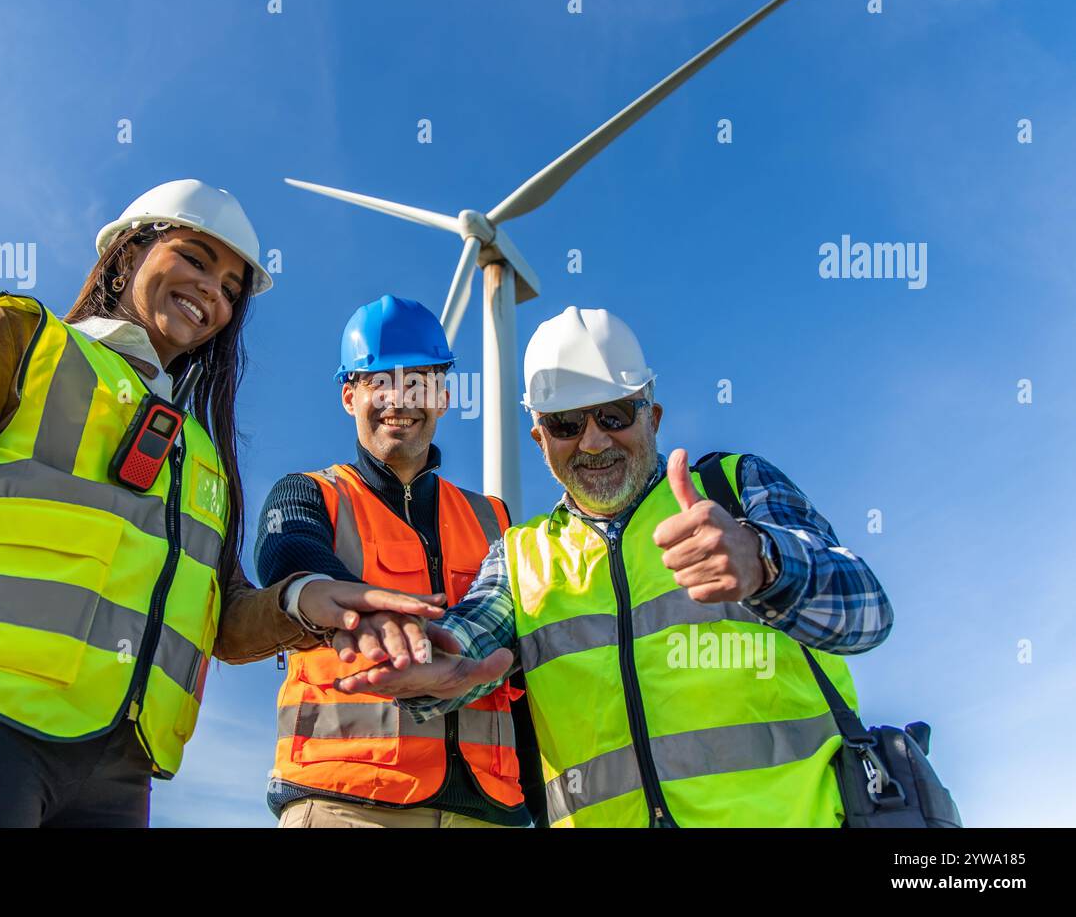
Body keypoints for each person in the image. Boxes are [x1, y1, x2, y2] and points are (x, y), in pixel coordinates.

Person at [0, 180, 444, 828]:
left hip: (117, 770)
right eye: (193, 258)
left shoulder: (204, 456)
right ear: (127, 255)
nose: (213, 292)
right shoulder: (15, 340)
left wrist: (303, 602)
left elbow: (220, 621)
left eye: (232, 290)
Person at [333, 305, 895, 827]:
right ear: (539, 438)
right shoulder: (521, 552)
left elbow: (867, 613)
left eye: (614, 414)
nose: (594, 440)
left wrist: (765, 563)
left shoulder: (732, 489)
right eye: (566, 425)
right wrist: (426, 664)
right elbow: (469, 637)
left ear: (652, 415)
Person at [256, 295, 541, 828]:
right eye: (379, 380)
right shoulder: (310, 494)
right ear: (349, 396)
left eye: (420, 381)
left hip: (490, 811)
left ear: (444, 397)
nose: (400, 398)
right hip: (346, 801)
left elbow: (520, 664)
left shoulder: (494, 518)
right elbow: (290, 553)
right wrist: (366, 618)